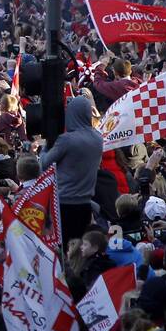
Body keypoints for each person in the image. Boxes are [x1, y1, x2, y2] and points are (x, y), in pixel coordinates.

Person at [40, 97, 104, 249]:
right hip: (85, 204)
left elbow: (44, 164)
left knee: (63, 249)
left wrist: (44, 148)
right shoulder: (98, 138)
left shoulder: (66, 140)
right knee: (79, 249)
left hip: (63, 204)